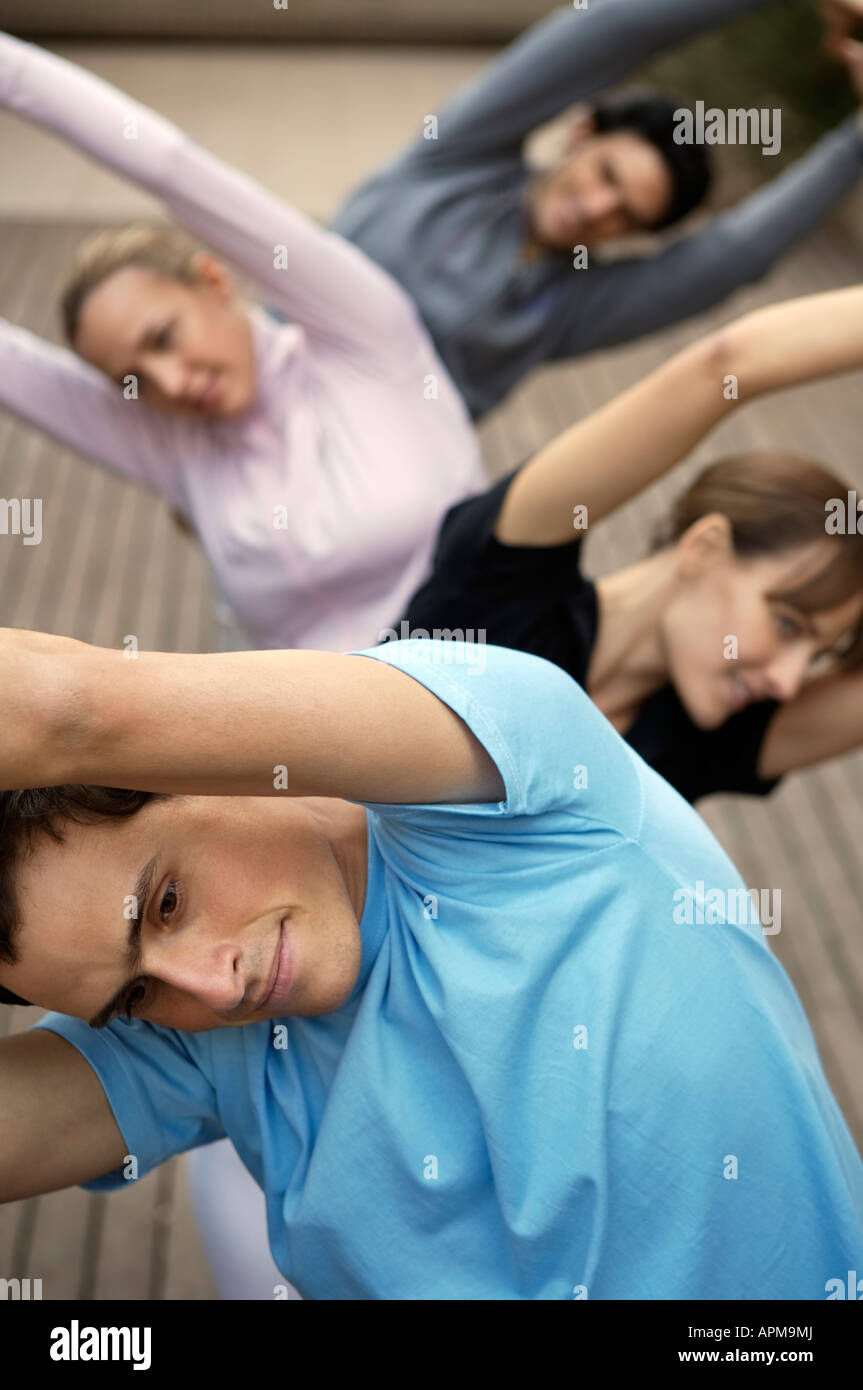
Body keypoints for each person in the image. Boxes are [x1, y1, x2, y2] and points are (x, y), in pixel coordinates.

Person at [0, 631, 861, 1300]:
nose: (213, 986)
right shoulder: (200, 1038)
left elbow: (64, 709)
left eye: (168, 903)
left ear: (203, 760)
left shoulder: (511, 796)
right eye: (136, 994)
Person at [0, 32, 484, 652]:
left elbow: (174, 169)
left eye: (164, 338)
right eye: (136, 381)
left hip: (489, 671)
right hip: (317, 734)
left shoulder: (361, 333)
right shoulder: (171, 439)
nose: (169, 384)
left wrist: (11, 73)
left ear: (212, 280)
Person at [400, 281, 863, 803]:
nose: (787, 680)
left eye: (817, 655)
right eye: (787, 624)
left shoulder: (700, 741)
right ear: (704, 547)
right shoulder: (507, 580)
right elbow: (728, 367)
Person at [332, 0, 863, 418]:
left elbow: (740, 254)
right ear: (582, 134)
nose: (596, 209)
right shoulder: (457, 159)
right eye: (606, 173)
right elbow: (614, 28)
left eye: (627, 216)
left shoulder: (571, 307)